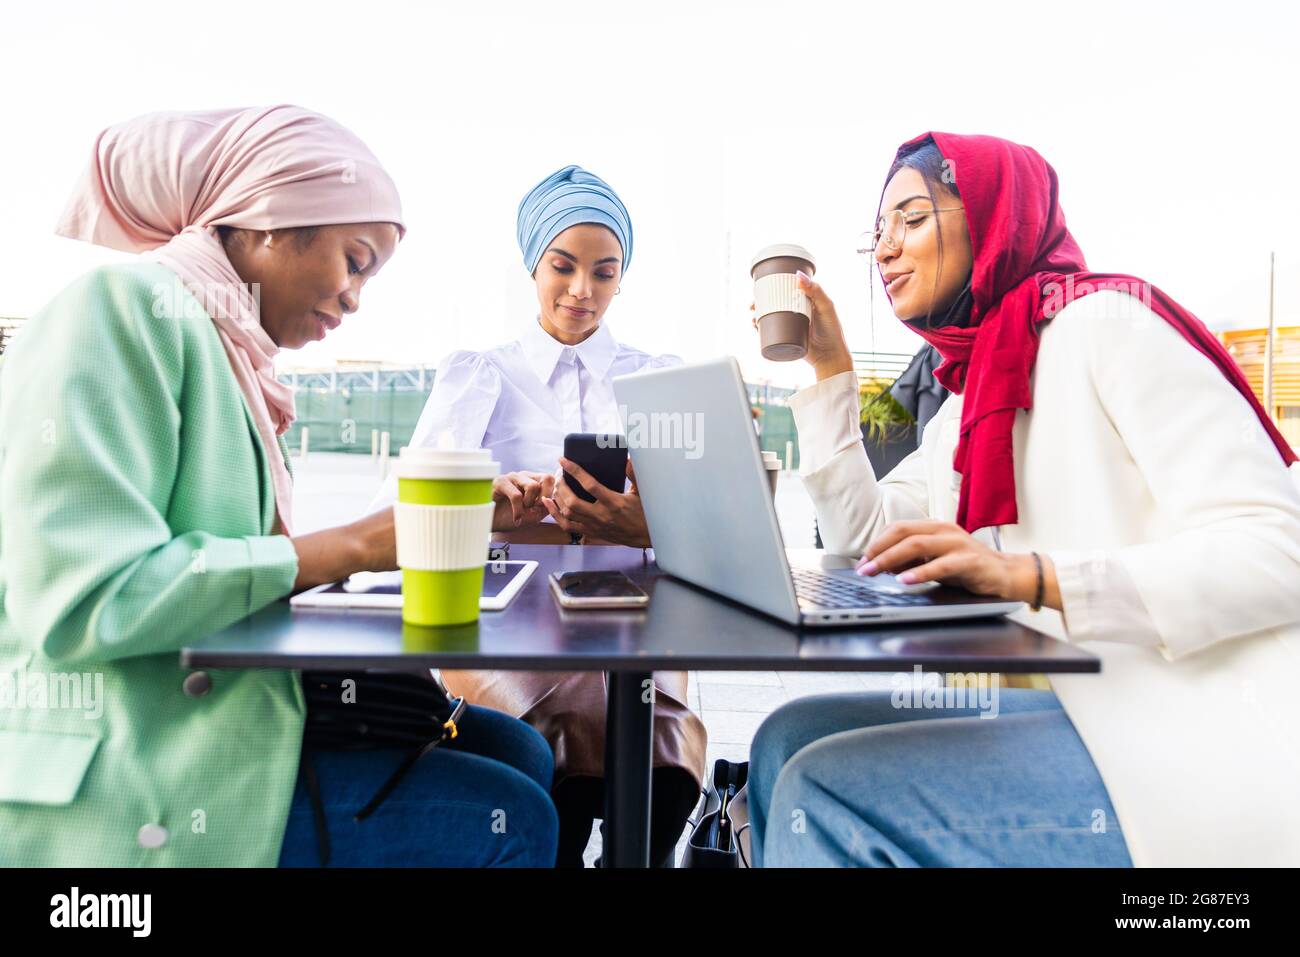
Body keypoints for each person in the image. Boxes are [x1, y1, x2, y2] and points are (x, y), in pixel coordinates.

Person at [0, 106, 558, 867]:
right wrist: (352, 547)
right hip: (128, 764)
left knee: (517, 747)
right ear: (270, 219)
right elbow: (82, 597)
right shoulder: (117, 313)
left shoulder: (228, 354)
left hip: (205, 714)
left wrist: (411, 533)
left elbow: (220, 563)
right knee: (514, 813)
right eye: (355, 261)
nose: (357, 297)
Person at [748, 132, 1300, 867]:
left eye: (912, 220)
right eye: (877, 233)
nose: (885, 249)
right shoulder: (973, 391)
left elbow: (1279, 546)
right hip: (1074, 706)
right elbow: (865, 535)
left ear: (993, 213)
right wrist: (829, 373)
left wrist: (1036, 575)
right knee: (783, 739)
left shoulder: (1110, 323)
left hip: (1177, 732)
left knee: (823, 790)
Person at [370, 165, 706, 866]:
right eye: (564, 266)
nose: (583, 290)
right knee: (542, 756)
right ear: (533, 263)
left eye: (605, 273)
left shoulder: (658, 377)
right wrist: (493, 504)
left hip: (633, 621)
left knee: (663, 760)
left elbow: (704, 522)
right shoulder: (479, 372)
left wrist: (647, 517)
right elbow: (414, 514)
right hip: (508, 614)